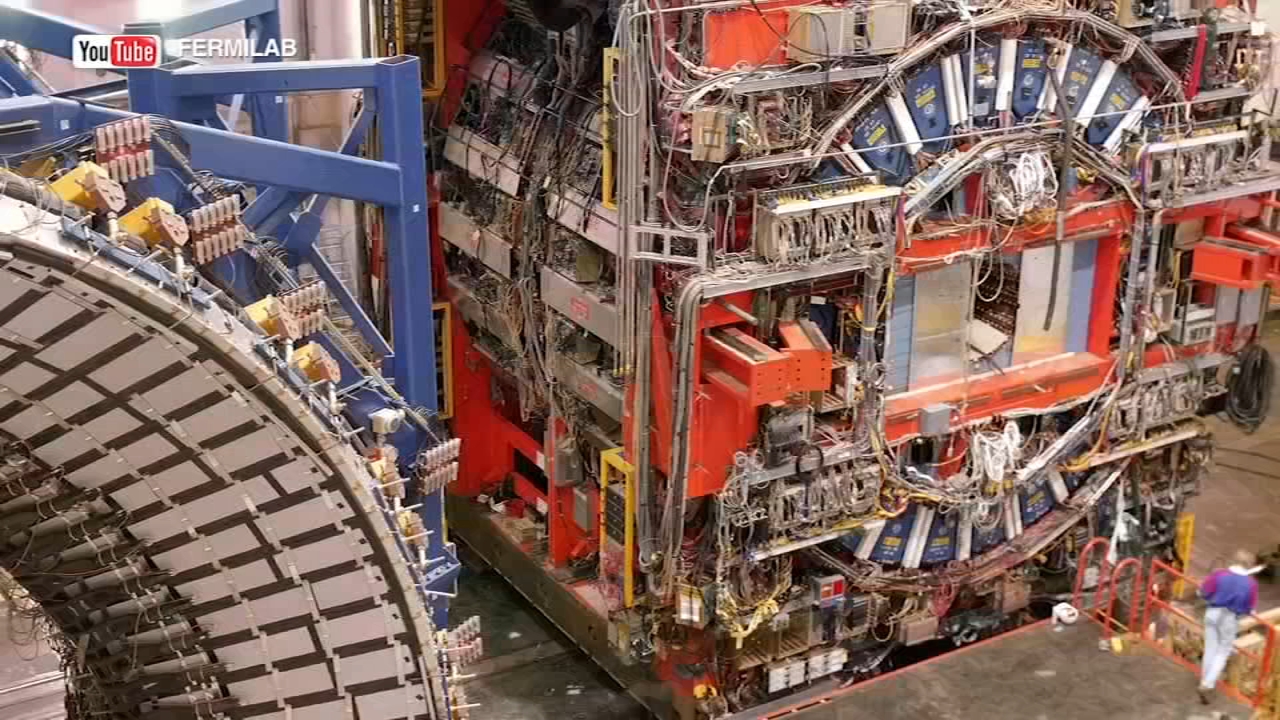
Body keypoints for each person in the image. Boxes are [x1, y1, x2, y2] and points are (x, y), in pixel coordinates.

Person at [1198, 549, 1261, 704]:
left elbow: (1203, 592)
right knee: (1223, 652)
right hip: (1229, 618)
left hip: (1212, 613)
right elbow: (1249, 608)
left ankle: (1204, 679)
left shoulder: (1219, 574)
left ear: (1233, 560)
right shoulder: (1251, 584)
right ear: (1250, 565)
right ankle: (1207, 684)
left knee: (1210, 649)